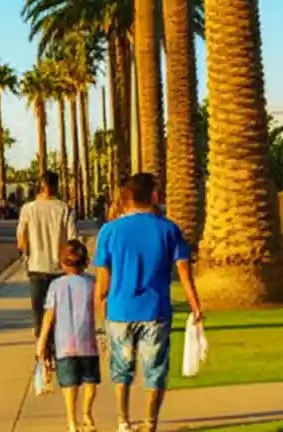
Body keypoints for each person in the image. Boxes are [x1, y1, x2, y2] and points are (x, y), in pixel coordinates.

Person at [93, 172, 202, 432]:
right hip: (155, 311)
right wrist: (196, 307)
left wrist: (100, 313)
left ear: (126, 197)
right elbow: (185, 275)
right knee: (155, 370)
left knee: (121, 369)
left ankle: (123, 421)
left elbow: (102, 281)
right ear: (153, 196)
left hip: (119, 311)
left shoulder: (109, 231)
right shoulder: (168, 229)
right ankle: (150, 422)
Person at [36, 239, 100, 432]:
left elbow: (49, 315)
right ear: (86, 262)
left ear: (62, 263)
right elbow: (99, 309)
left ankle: (72, 422)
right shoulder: (92, 283)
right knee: (90, 382)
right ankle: (87, 413)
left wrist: (41, 341)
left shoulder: (56, 285)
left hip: (65, 344)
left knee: (69, 384)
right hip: (87, 341)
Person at [17, 171, 78, 355]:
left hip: (36, 267)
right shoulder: (65, 209)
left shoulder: (28, 209)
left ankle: (43, 352)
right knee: (59, 313)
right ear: (56, 186)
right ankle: (57, 349)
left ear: (40, 186)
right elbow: (72, 241)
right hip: (60, 269)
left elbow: (21, 239)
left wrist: (25, 252)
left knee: (39, 313)